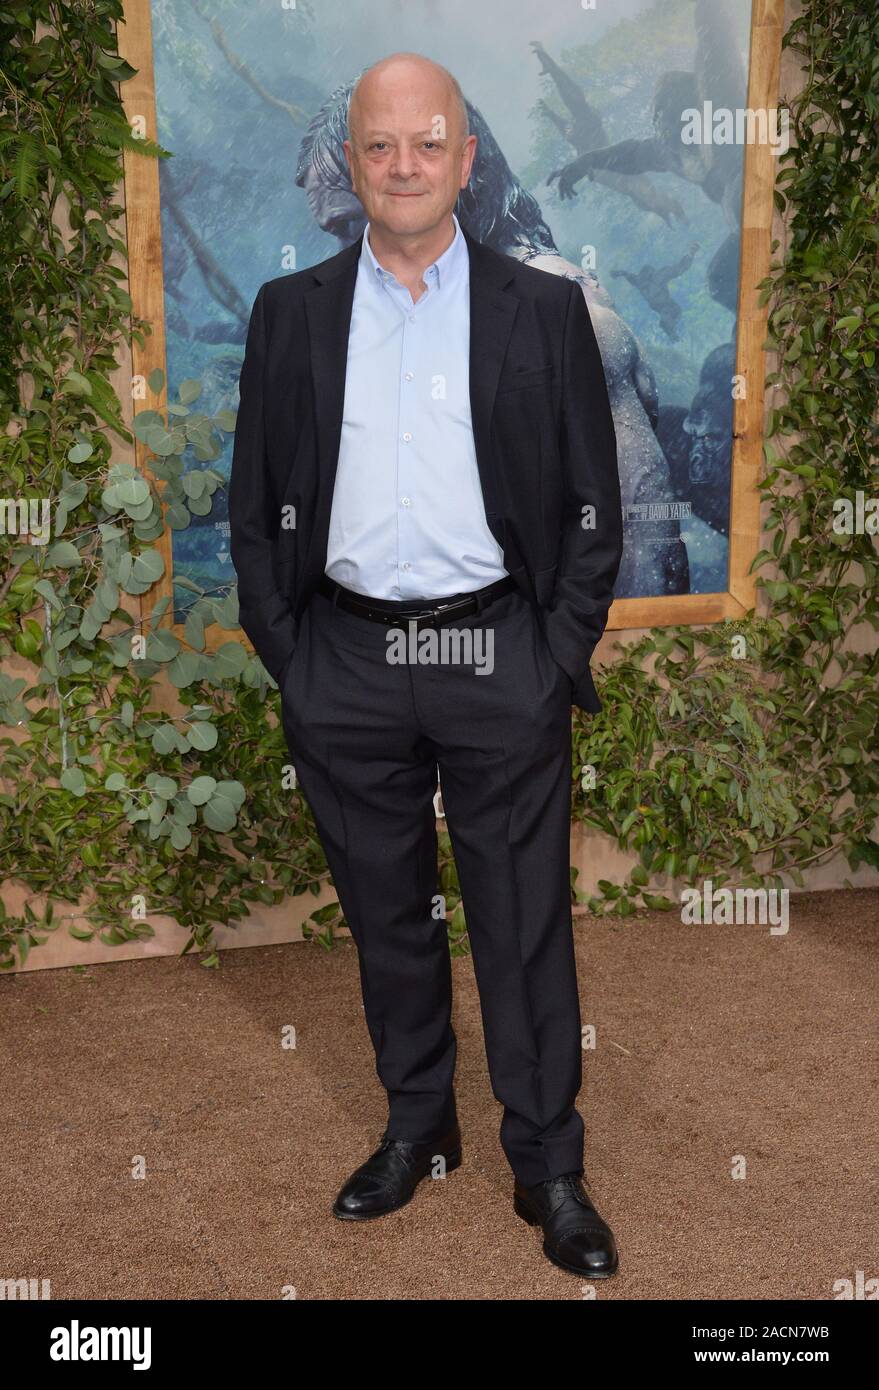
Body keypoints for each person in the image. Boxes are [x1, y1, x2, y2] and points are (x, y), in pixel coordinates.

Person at [229, 51, 623, 1279]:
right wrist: (294, 657)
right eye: (379, 145)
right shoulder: (290, 316)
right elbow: (253, 510)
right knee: (388, 915)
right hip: (344, 653)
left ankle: (548, 1163)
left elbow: (590, 509)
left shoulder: (541, 308)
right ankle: (418, 1126)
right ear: (355, 165)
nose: (402, 166)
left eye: (426, 142)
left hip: (497, 646)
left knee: (521, 921)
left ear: (463, 158)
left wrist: (553, 656)